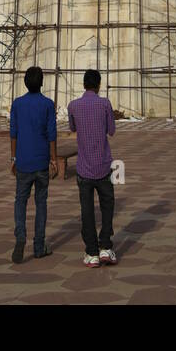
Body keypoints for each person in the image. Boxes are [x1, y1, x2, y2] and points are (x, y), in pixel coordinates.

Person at [68, 68, 117, 267]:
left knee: (87, 211)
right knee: (107, 207)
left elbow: (72, 128)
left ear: (83, 85)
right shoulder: (104, 103)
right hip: (104, 165)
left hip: (84, 168)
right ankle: (105, 247)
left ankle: (91, 252)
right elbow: (111, 130)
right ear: (98, 85)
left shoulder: (73, 106)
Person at [9, 65, 58, 264]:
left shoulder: (18, 104)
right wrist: (54, 159)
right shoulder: (47, 104)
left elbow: (13, 132)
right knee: (41, 203)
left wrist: (13, 158)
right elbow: (52, 135)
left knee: (20, 201)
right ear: (42, 83)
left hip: (23, 161)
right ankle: (39, 246)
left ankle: (21, 235)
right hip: (41, 161)